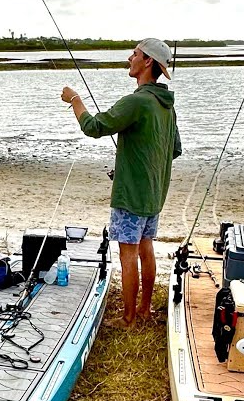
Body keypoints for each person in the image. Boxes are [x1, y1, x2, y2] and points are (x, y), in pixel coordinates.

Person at [61, 38, 182, 329]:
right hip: (154, 194)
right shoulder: (165, 105)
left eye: (135, 54)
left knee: (128, 252)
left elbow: (94, 127)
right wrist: (137, 163)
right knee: (145, 247)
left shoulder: (137, 101)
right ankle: (143, 309)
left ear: (148, 62)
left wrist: (75, 100)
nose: (130, 58)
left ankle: (128, 319)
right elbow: (173, 149)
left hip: (131, 196)